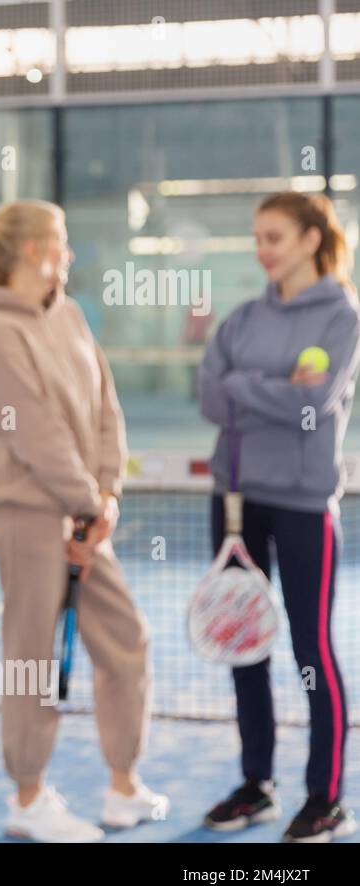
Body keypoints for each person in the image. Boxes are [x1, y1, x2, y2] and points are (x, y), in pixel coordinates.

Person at [0, 200, 167, 842]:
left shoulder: (69, 318)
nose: (68, 256)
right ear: (33, 251)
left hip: (82, 519)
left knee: (126, 640)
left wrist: (106, 497)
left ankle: (124, 787)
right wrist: (85, 501)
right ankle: (28, 798)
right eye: (61, 244)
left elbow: (107, 411)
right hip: (26, 519)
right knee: (30, 660)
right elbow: (35, 437)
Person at [197, 191, 358, 843]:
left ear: (311, 240)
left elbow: (313, 406)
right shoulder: (240, 319)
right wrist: (272, 389)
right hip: (235, 498)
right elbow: (211, 395)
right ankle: (255, 783)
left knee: (310, 646)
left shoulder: (343, 316)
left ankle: (325, 796)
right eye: (257, 237)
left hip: (301, 505)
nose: (262, 249)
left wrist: (246, 387)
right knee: (245, 641)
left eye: (275, 237)